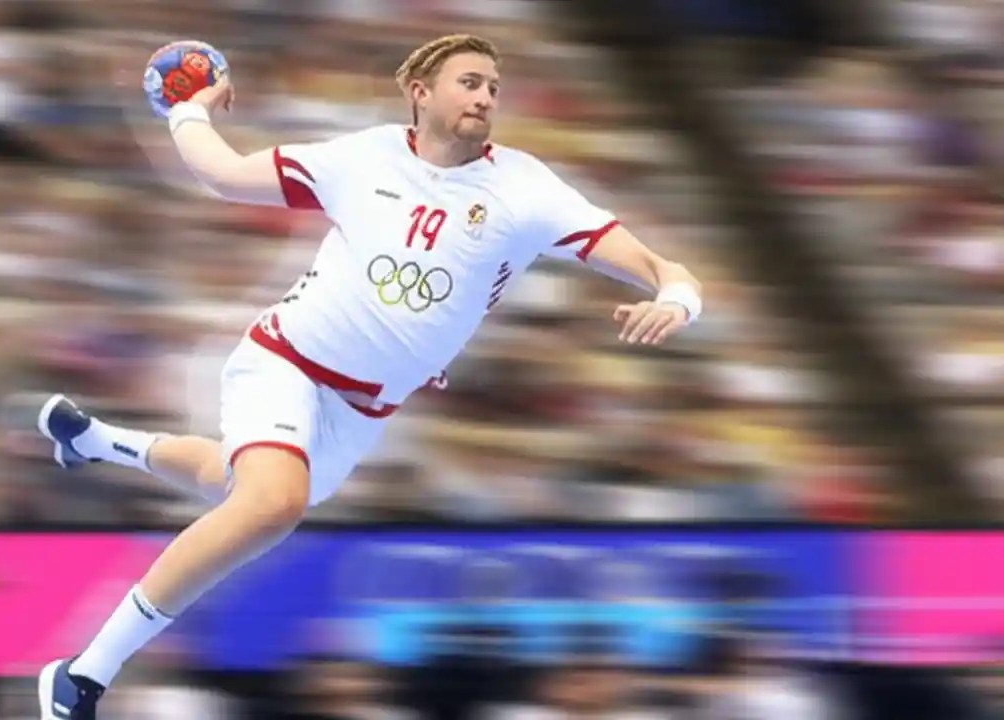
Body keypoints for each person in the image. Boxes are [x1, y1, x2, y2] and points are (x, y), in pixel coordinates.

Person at [35, 34, 703, 719]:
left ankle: (97, 442)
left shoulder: (525, 188)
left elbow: (662, 267)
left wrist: (678, 299)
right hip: (283, 360)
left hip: (363, 414)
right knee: (272, 503)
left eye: (494, 88)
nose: (485, 98)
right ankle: (84, 672)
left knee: (236, 485)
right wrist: (187, 111)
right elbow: (224, 175)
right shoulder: (361, 158)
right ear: (421, 92)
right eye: (470, 82)